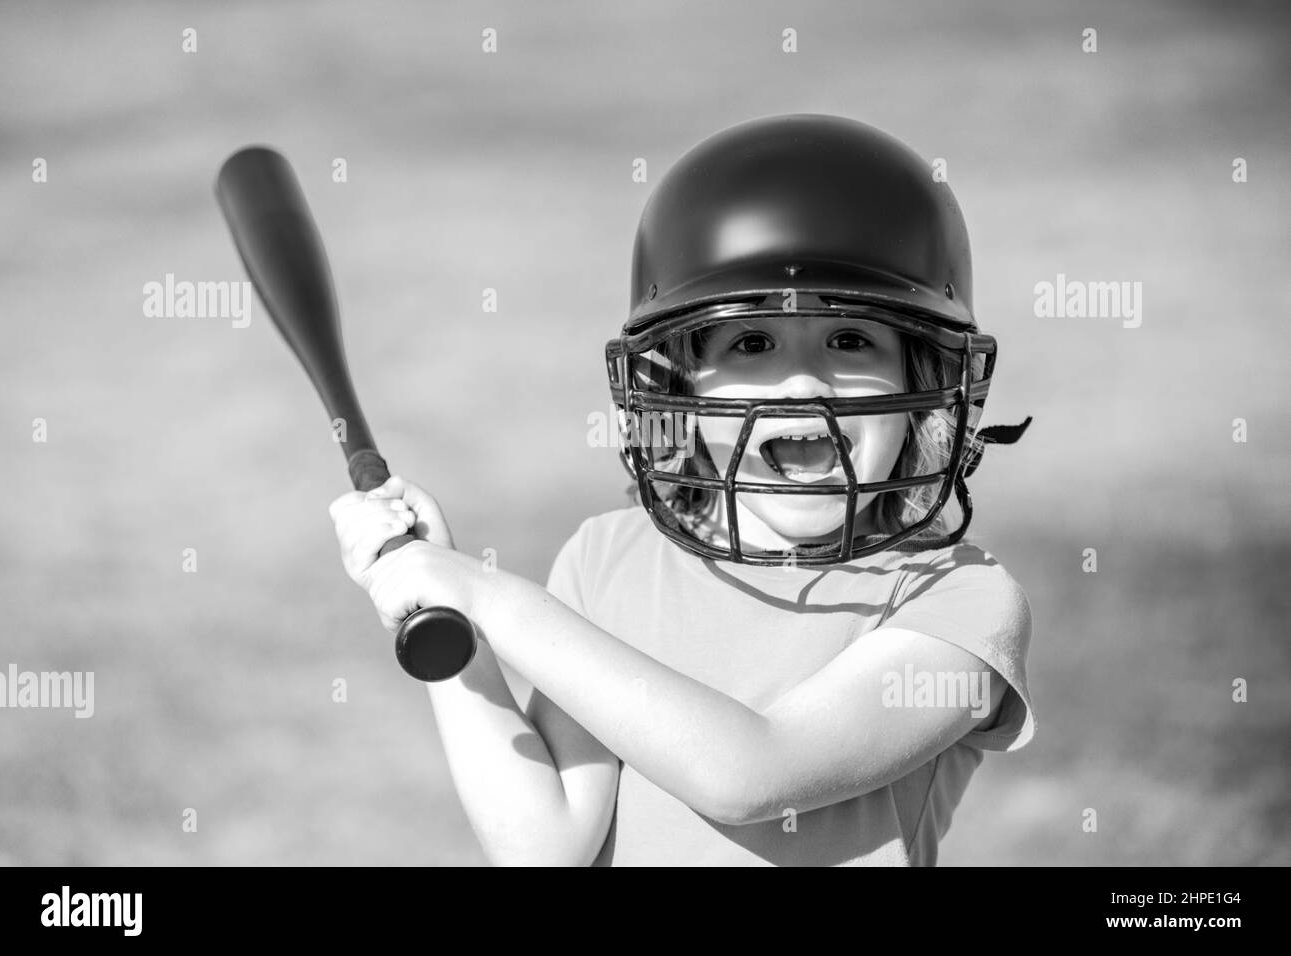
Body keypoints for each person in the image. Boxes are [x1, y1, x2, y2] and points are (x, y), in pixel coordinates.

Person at [329, 114, 1036, 866]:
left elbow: (755, 774)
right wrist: (447, 615)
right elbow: (545, 846)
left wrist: (490, 595)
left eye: (851, 339)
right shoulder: (608, 557)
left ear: (924, 382)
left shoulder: (960, 602)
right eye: (751, 342)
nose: (801, 384)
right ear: (678, 385)